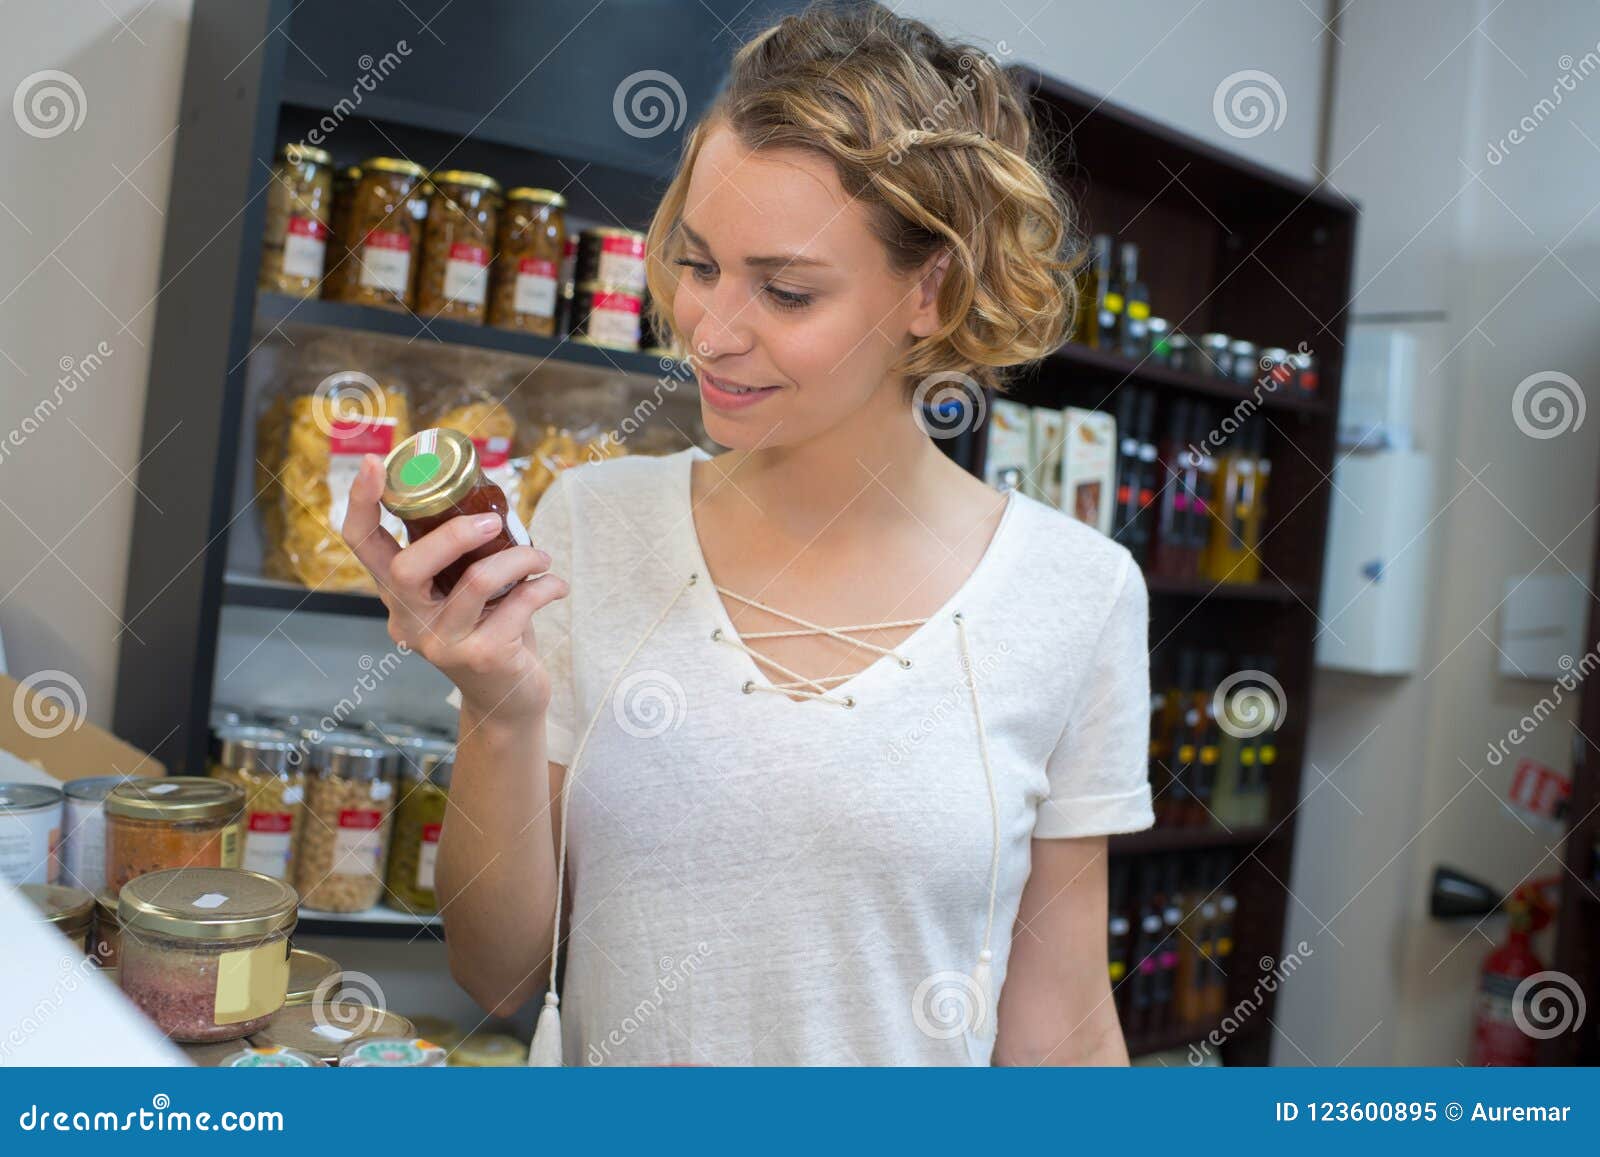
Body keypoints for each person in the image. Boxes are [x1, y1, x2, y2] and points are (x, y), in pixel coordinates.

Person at [342, 1, 1153, 1065]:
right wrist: (498, 712)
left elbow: (1060, 1028)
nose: (712, 332)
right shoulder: (594, 524)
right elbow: (497, 973)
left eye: (784, 288)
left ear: (930, 288)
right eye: (697, 262)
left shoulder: (1074, 591)